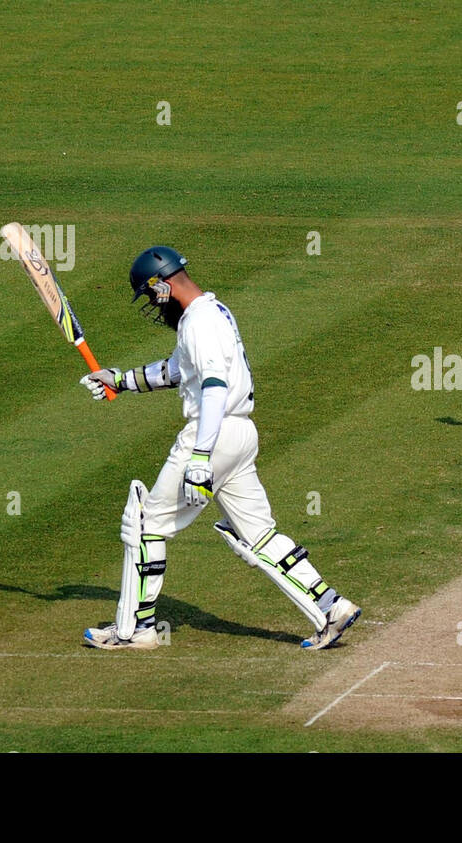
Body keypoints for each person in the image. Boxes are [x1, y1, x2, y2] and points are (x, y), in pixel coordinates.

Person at [78, 246, 360, 650]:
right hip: (240, 435)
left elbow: (213, 386)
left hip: (212, 434)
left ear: (161, 286)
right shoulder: (212, 312)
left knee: (146, 524)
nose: (154, 307)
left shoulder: (198, 322)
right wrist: (119, 379)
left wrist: (198, 458)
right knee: (258, 534)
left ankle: (134, 630)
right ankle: (331, 607)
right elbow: (176, 370)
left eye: (150, 295)